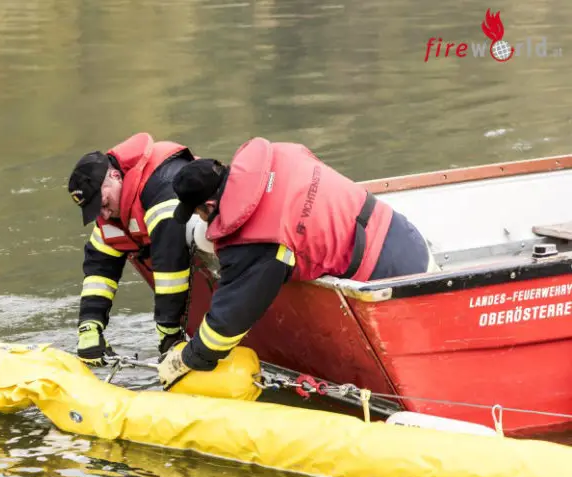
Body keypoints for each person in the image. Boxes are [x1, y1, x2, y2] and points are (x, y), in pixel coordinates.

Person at [157, 136, 438, 389]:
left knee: (424, 365)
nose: (203, 222)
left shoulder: (257, 239)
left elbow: (230, 320)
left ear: (209, 206)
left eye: (199, 213)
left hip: (387, 276)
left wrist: (189, 358)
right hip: (406, 236)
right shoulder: (281, 155)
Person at [67, 132, 197, 366]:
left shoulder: (163, 188)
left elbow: (171, 269)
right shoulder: (112, 214)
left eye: (104, 204)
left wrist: (168, 333)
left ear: (116, 176)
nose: (104, 215)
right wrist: (89, 328)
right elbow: (98, 270)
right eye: (97, 210)